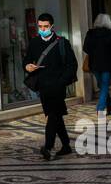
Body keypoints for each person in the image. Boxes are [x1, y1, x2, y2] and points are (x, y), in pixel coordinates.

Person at [23, 12, 77, 160]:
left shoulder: (62, 43)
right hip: (43, 86)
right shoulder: (34, 42)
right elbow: (26, 60)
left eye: (45, 26)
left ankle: (48, 146)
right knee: (56, 115)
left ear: (52, 26)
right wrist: (28, 66)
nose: (42, 29)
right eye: (40, 26)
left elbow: (72, 65)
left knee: (53, 115)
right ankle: (66, 145)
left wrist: (62, 81)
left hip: (58, 86)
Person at [82, 13, 111, 114]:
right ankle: (100, 108)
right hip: (106, 64)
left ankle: (109, 107)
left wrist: (94, 52)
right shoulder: (109, 33)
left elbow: (85, 48)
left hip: (94, 64)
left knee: (102, 85)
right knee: (104, 85)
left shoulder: (90, 33)